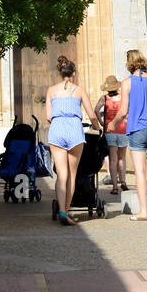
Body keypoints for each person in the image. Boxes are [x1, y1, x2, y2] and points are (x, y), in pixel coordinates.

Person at [46, 54, 101, 225]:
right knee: (72, 174)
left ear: (60, 72)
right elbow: (92, 114)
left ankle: (62, 211)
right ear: (74, 73)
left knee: (61, 175)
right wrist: (97, 127)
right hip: (74, 131)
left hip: (57, 130)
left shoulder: (51, 91)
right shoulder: (79, 90)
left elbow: (48, 116)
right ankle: (65, 211)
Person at [109, 49, 147, 221]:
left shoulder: (127, 83)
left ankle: (143, 212)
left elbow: (124, 110)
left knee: (140, 172)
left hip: (137, 129)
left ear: (129, 63)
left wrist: (113, 123)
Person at [95, 75, 128, 196]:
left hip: (110, 130)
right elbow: (127, 112)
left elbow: (96, 110)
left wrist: (101, 122)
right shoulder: (123, 97)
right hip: (123, 129)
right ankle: (123, 181)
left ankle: (115, 186)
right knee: (122, 157)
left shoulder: (104, 98)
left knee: (113, 159)